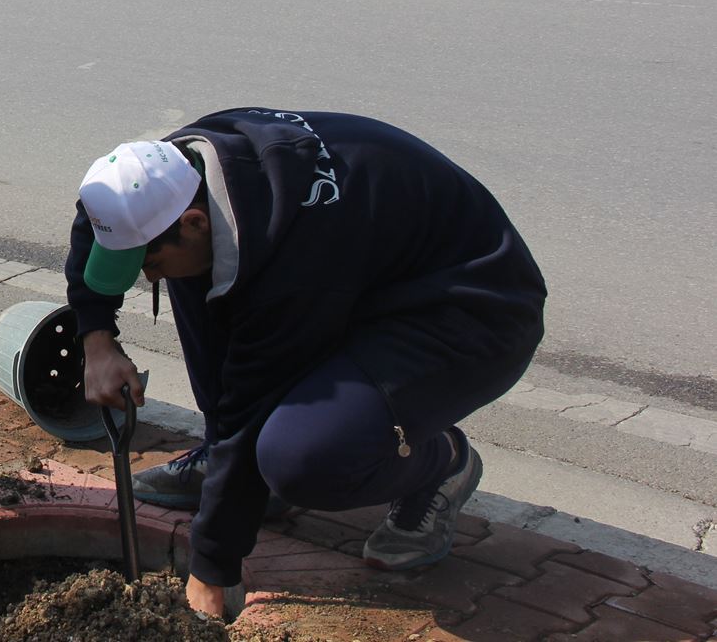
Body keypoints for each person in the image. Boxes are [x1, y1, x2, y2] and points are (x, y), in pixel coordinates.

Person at [66, 110, 545, 618]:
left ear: (195, 222)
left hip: (467, 310)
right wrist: (96, 338)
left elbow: (252, 405)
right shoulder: (172, 170)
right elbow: (99, 217)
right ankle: (229, 471)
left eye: (148, 266)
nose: (143, 278)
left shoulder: (292, 260)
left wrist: (211, 570)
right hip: (367, 274)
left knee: (301, 458)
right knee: (196, 277)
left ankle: (442, 462)